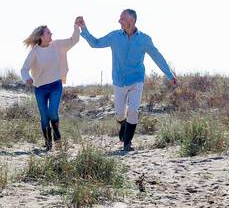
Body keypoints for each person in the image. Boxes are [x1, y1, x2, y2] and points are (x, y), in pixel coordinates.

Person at [75, 9, 174, 152]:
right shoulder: (114, 36)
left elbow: (157, 56)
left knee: (133, 111)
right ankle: (122, 123)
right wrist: (83, 28)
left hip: (136, 80)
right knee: (120, 114)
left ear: (131, 21)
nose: (119, 21)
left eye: (122, 19)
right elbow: (95, 43)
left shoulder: (144, 39)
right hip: (119, 81)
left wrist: (170, 75)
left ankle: (127, 143)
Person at [20, 22, 79, 151]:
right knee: (44, 117)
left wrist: (76, 26)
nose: (51, 34)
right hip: (40, 88)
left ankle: (57, 138)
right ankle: (48, 144)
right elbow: (24, 69)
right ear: (41, 36)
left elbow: (74, 40)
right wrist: (27, 78)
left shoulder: (57, 45)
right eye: (48, 33)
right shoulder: (35, 52)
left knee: (52, 113)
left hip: (55, 85)